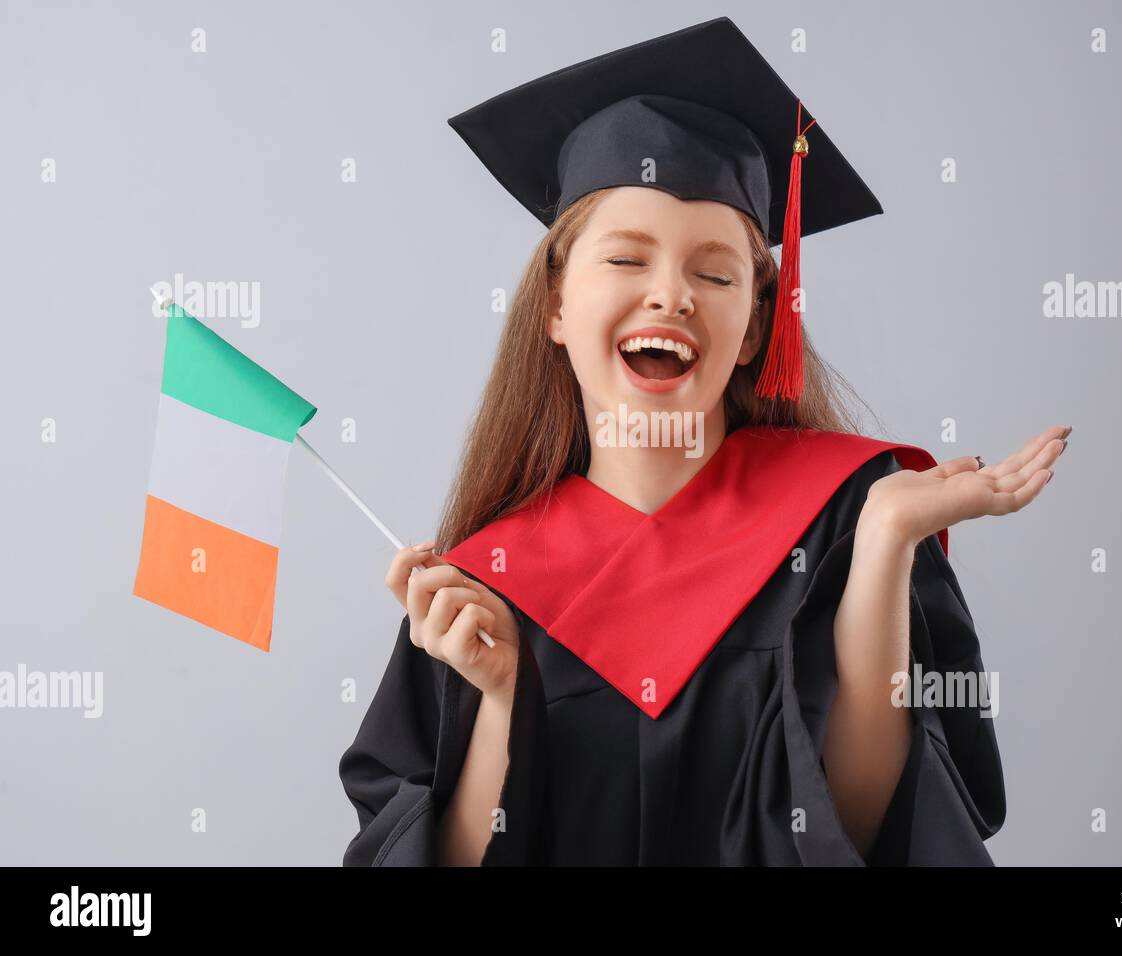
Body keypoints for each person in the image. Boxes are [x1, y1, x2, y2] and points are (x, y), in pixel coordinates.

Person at [338, 16, 1066, 866]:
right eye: (625, 261)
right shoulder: (482, 590)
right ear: (556, 308)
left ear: (757, 328)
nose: (671, 296)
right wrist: (499, 698)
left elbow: (868, 831)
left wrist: (884, 547)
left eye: (715, 274)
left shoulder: (846, 520)